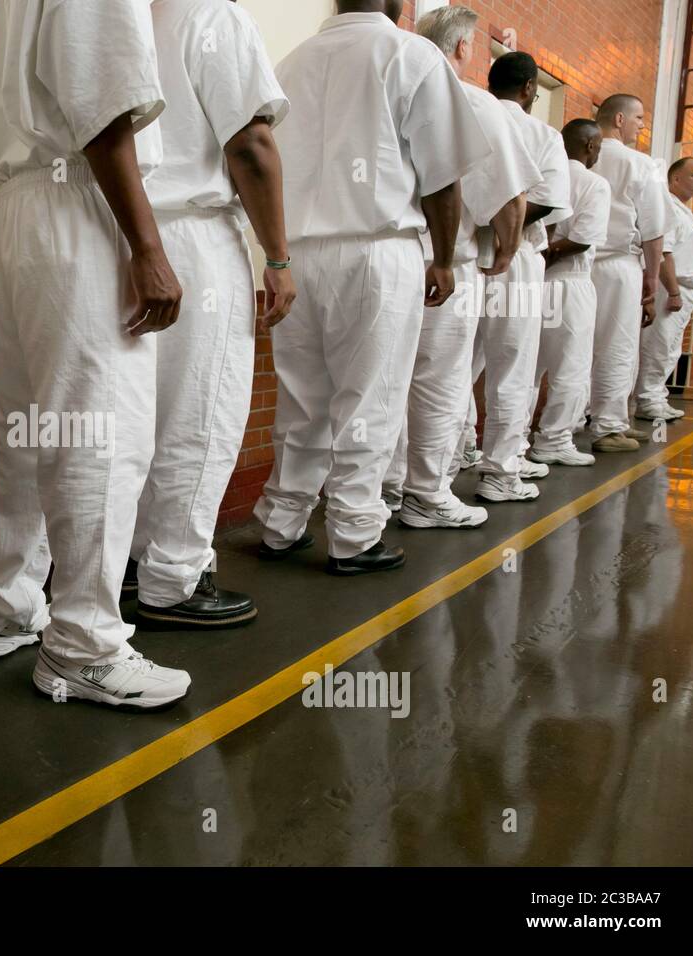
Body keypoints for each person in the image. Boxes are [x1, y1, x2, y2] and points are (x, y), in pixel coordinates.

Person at [0, 0, 194, 709]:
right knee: (101, 435)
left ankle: (3, 605)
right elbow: (103, 111)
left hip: (23, 213)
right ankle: (83, 647)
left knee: (30, 429)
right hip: (79, 206)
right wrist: (148, 246)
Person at [252, 0, 490, 575]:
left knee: (303, 396)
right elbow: (441, 175)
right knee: (370, 395)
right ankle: (355, 533)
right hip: (376, 249)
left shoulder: (289, 62)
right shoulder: (412, 55)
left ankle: (281, 522)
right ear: (399, 5)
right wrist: (443, 255)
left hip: (299, 252)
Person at [125, 0, 292, 627]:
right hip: (195, 237)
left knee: (140, 418)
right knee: (200, 412)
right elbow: (250, 143)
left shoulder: (134, 14)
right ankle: (175, 576)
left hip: (127, 230)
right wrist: (277, 257)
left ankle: (132, 565)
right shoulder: (215, 17)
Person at [383, 6, 539, 530]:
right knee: (439, 380)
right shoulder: (473, 102)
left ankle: (380, 489)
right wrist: (507, 254)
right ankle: (425, 493)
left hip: (388, 257)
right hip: (448, 265)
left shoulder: (382, 89)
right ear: (463, 48)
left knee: (385, 380)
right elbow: (510, 201)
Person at [475, 51, 571, 502]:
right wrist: (504, 219)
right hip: (515, 258)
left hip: (463, 254)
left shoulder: (471, 113)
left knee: (457, 367)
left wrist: (477, 216)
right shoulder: (543, 134)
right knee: (511, 367)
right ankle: (500, 470)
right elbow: (548, 202)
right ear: (530, 88)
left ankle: (453, 454)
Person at [529, 118, 612, 466]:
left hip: (534, 282)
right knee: (571, 367)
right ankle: (553, 440)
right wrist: (550, 256)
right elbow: (580, 240)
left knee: (528, 368)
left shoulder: (541, 173)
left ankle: (515, 441)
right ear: (591, 145)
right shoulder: (594, 183)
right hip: (570, 282)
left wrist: (537, 259)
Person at [589, 93, 667, 452]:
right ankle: (607, 425)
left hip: (578, 261)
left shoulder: (579, 153)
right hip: (619, 264)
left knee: (577, 346)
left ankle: (602, 417)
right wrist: (653, 276)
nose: (642, 125)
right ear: (619, 120)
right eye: (638, 118)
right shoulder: (639, 163)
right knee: (617, 345)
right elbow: (652, 228)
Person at [635, 157, 693, 421]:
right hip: (671, 287)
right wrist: (674, 291)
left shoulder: (684, 210)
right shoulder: (671, 209)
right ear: (675, 179)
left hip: (683, 289)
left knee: (670, 347)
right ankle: (647, 400)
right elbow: (664, 252)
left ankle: (655, 396)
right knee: (659, 345)